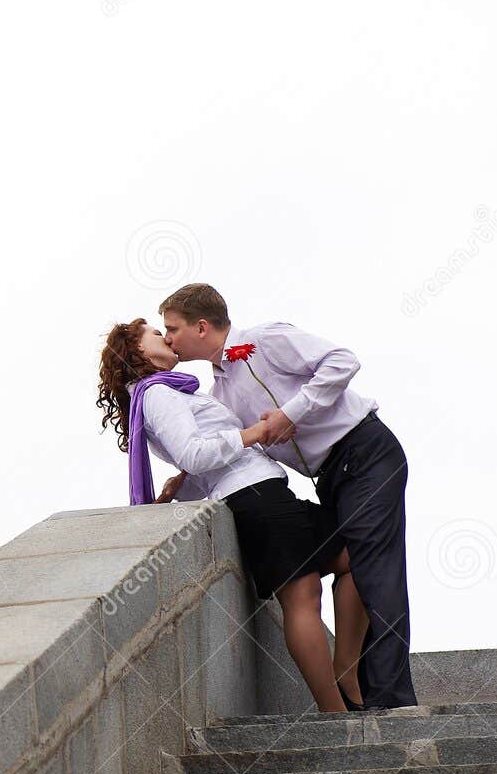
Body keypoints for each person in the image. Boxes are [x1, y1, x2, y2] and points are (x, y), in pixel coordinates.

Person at [158, 283, 417, 710]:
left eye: (172, 328)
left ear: (201, 327)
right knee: (362, 562)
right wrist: (180, 484)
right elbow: (229, 450)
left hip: (366, 451)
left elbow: (343, 361)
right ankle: (360, 683)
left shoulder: (264, 341)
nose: (168, 338)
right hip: (332, 476)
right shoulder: (220, 395)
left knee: (376, 569)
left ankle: (389, 699)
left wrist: (291, 412)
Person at [96, 317, 369, 712]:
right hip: (253, 497)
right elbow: (195, 453)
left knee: (360, 556)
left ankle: (346, 672)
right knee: (304, 596)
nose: (168, 337)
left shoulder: (161, 394)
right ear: (136, 351)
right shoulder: (157, 395)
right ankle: (337, 712)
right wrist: (253, 434)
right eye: (158, 333)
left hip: (263, 492)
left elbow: (199, 462)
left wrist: (181, 485)